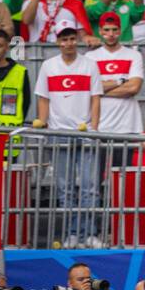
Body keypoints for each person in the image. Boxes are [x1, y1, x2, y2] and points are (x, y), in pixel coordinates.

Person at [34, 27, 102, 247]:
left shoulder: (90, 64)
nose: (69, 43)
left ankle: (89, 234)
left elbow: (96, 99)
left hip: (85, 133)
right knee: (65, 189)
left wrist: (94, 129)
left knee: (90, 187)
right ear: (58, 42)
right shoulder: (48, 65)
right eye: (64, 39)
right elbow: (43, 99)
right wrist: (44, 124)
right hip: (59, 133)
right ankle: (71, 234)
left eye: (72, 38)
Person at [88, 12, 144, 135]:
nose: (111, 34)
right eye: (106, 30)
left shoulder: (134, 55)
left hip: (128, 124)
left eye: (114, 30)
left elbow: (133, 88)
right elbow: (88, 88)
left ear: (120, 30)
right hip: (99, 124)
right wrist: (120, 82)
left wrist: (100, 90)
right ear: (100, 31)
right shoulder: (90, 57)